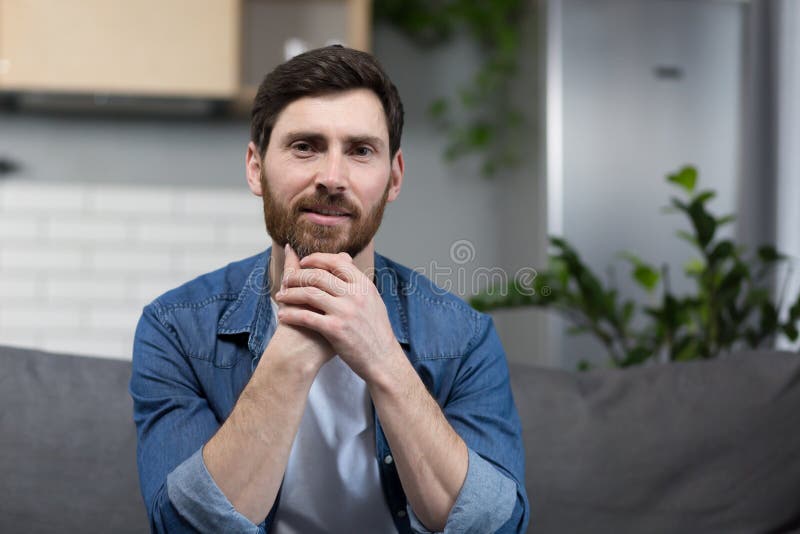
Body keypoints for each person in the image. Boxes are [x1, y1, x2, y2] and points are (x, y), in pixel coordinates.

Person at [130, 45, 529, 534]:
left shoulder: (463, 336)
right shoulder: (174, 328)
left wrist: (382, 357)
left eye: (360, 151)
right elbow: (185, 529)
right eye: (305, 146)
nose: (332, 178)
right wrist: (293, 351)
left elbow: (495, 526)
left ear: (394, 178)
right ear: (256, 167)